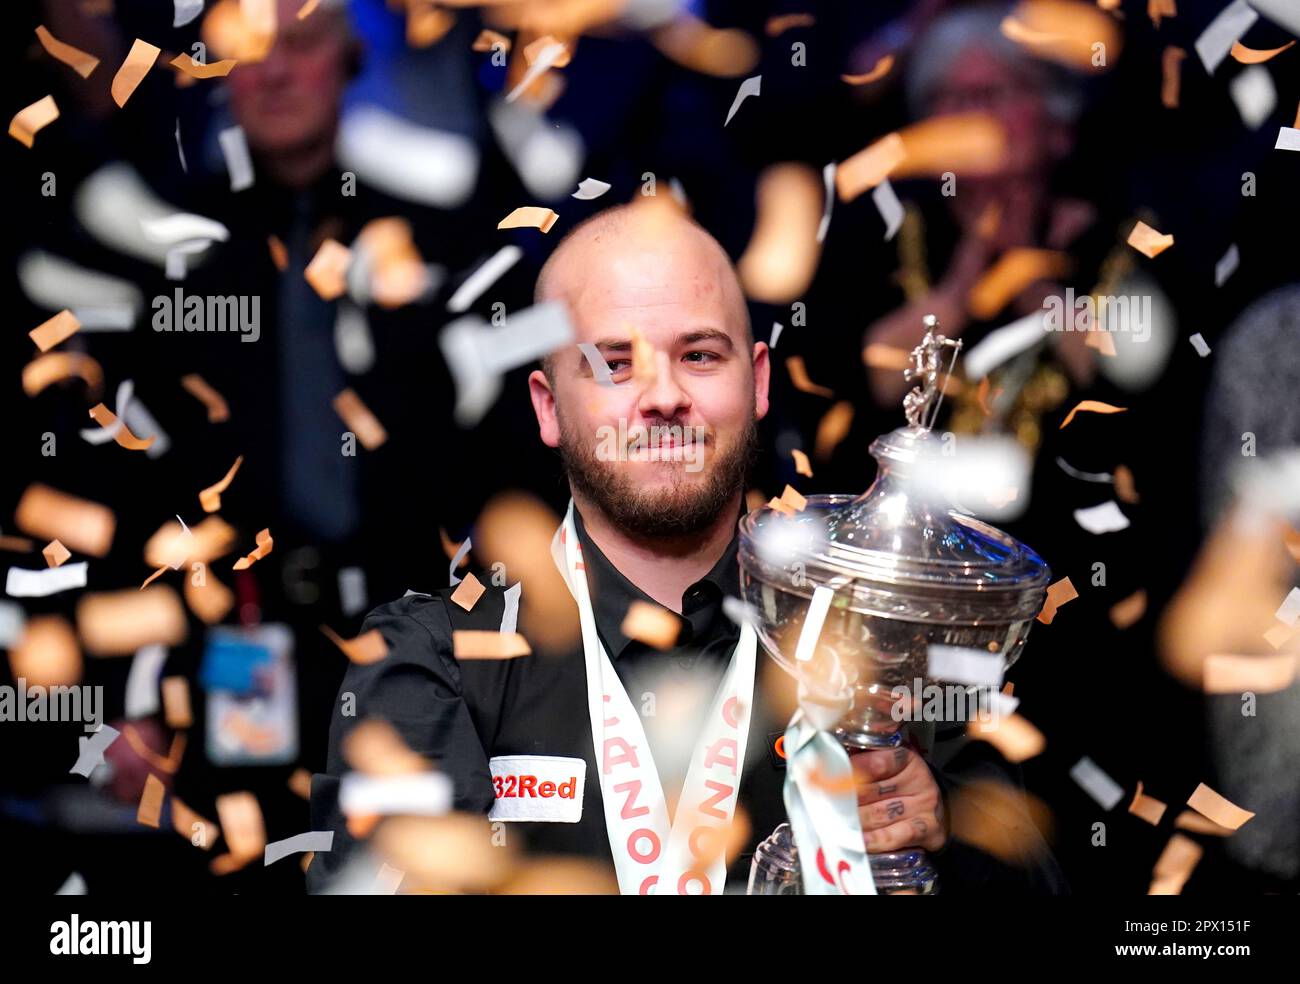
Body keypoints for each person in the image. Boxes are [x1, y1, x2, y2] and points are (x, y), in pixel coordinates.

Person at [307, 203, 1067, 894]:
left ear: (759, 383)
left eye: (700, 355)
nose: (664, 395)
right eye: (614, 362)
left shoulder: (894, 632)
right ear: (548, 405)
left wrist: (938, 839)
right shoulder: (434, 659)